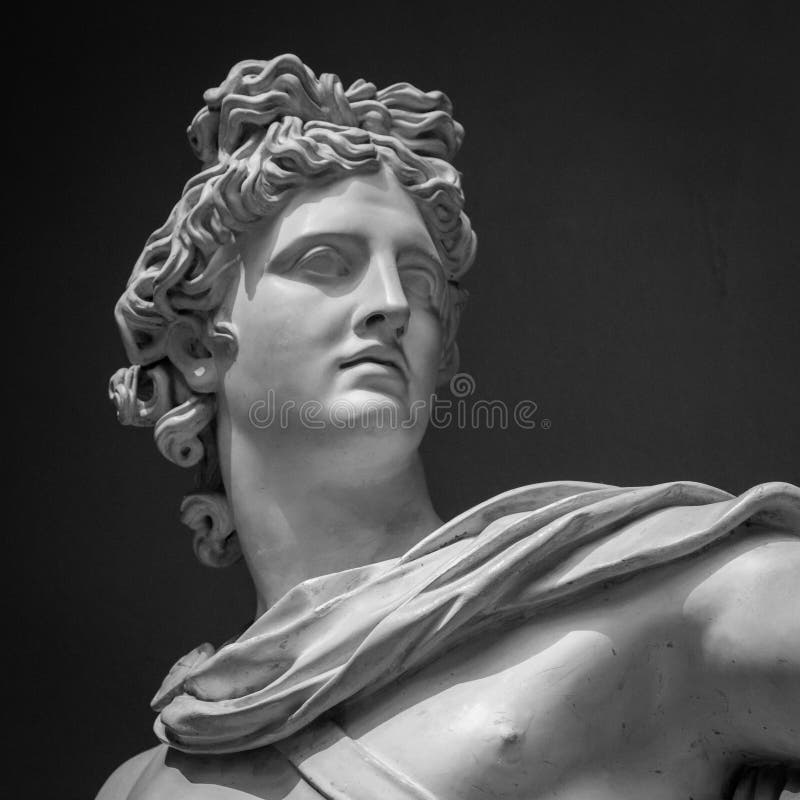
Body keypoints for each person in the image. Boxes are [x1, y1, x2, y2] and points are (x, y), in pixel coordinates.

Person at [99, 54, 799, 800]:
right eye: (326, 261)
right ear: (199, 347)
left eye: (422, 281)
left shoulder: (677, 597)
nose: (392, 303)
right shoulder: (151, 784)